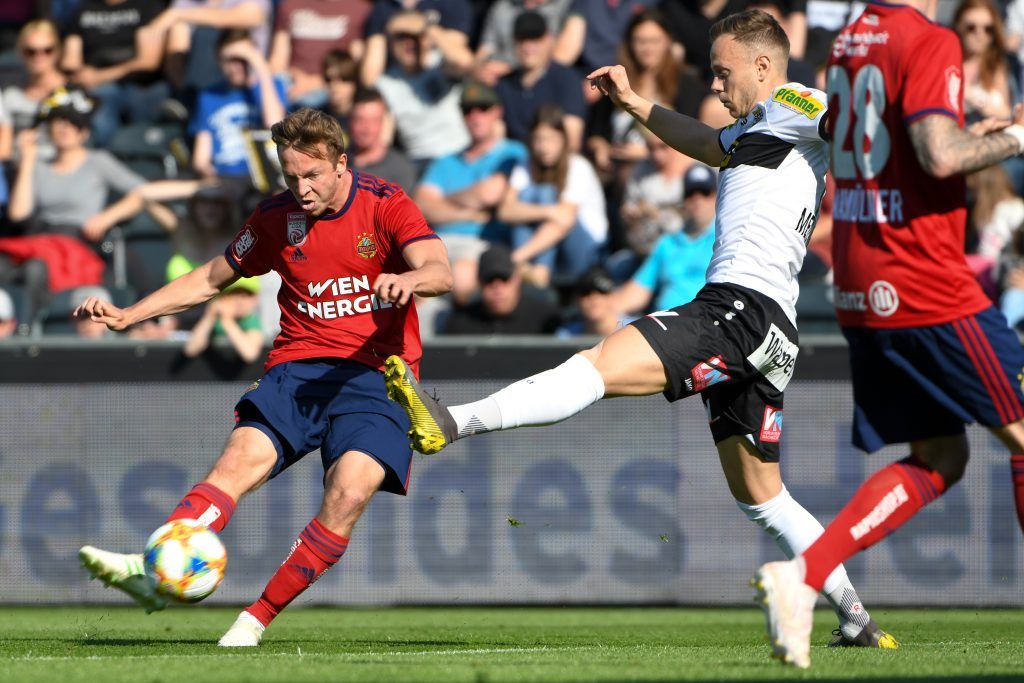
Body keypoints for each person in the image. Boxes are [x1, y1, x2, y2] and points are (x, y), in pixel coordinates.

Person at [387, 9, 893, 652]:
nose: (714, 85)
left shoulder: (792, 100)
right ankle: (856, 618)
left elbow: (844, 122)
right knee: (763, 496)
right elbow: (707, 143)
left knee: (598, 364)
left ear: (764, 66)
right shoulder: (753, 128)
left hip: (737, 309)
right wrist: (631, 101)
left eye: (722, 71)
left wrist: (894, 130)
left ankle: (456, 421)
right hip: (771, 331)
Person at [75, 107, 453, 647]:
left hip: (377, 377)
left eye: (312, 175)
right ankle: (155, 569)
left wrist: (410, 279)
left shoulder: (386, 204)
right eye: (290, 175)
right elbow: (211, 278)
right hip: (298, 370)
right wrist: (131, 315)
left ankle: (252, 621)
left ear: (341, 164)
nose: (300, 187)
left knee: (347, 494)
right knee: (238, 462)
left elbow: (442, 272)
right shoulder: (275, 218)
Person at [752, 0, 1024, 669]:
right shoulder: (928, 39)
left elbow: (896, 144)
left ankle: (805, 573)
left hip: (859, 277)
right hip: (925, 278)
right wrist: (1014, 137)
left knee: (940, 454)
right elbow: (938, 153)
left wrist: (967, 135)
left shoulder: (849, 40)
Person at [416, 79, 528, 302]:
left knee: (463, 276)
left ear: (497, 112)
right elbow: (421, 206)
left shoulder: (512, 153)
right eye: (468, 110)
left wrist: (444, 201)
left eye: (483, 109)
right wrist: (469, 212)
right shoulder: (445, 161)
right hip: (440, 242)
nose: (476, 116)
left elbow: (490, 193)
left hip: (484, 244)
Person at [499, 104, 607, 288]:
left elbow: (564, 220)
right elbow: (505, 211)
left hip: (586, 250)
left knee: (545, 192)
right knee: (530, 196)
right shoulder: (526, 165)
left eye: (551, 139)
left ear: (563, 139)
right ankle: (532, 271)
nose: (543, 147)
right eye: (538, 139)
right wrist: (548, 211)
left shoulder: (578, 166)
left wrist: (515, 258)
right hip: (546, 245)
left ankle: (537, 271)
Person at [612, 164, 717, 314]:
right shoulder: (668, 242)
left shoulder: (725, 238)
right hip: (665, 324)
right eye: (690, 193)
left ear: (717, 197)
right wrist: (605, 306)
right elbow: (639, 290)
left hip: (707, 321)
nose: (697, 199)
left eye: (705, 192)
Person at [61, 0, 169, 147]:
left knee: (145, 124)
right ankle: (99, 161)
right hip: (100, 88)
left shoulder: (146, 6)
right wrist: (79, 74)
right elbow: (71, 61)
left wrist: (99, 76)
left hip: (144, 85)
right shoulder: (83, 10)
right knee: (98, 113)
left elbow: (148, 62)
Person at [374, 10, 473, 166]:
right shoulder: (386, 83)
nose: (409, 44)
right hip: (418, 161)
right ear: (391, 44)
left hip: (459, 153)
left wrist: (428, 28)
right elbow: (383, 135)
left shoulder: (439, 64)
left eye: (415, 37)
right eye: (401, 38)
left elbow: (465, 63)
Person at [191, 29, 288, 182]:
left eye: (242, 60)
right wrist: (211, 176)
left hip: (261, 177)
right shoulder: (208, 96)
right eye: (230, 60)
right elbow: (200, 159)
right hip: (222, 177)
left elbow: (274, 124)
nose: (236, 66)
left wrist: (259, 65)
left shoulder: (272, 86)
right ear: (219, 60)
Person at [495, 10, 586, 151]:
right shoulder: (503, 84)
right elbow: (495, 138)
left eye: (535, 39)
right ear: (514, 42)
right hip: (514, 164)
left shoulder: (567, 79)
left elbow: (572, 140)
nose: (528, 46)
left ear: (549, 40)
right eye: (522, 40)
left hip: (556, 164)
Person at [268, 0, 372, 107]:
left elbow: (355, 64)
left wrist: (317, 82)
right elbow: (278, 59)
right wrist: (293, 77)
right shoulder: (288, 6)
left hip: (331, 82)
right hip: (294, 81)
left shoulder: (359, 8)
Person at [441, 244, 561, 334]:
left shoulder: (546, 319)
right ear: (479, 282)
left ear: (517, 279)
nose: (497, 288)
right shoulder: (461, 323)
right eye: (489, 280)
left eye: (504, 279)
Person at [0, 20, 66, 162]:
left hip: (55, 171)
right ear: (20, 53)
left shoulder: (71, 94)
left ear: (58, 51)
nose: (39, 56)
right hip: (13, 168)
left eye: (47, 50)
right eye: (31, 51)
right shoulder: (10, 95)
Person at [474, 0, 572, 85]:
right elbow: (485, 50)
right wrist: (481, 70)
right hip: (500, 79)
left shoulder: (564, 5)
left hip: (542, 76)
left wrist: (513, 68)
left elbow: (563, 55)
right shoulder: (503, 7)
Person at [348, 88, 418, 193]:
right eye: (360, 120)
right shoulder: (337, 163)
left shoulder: (400, 169)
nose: (366, 129)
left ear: (383, 122)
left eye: (373, 121)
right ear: (350, 120)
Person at [954, 0, 1013, 123]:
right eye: (971, 28)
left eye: (988, 29)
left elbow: (1005, 113)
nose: (979, 34)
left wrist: (975, 99)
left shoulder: (996, 66)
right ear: (958, 25)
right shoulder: (945, 62)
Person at [183, 284, 264, 363]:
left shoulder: (251, 321)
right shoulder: (214, 320)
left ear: (254, 299)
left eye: (246, 295)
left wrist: (227, 319)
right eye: (235, 294)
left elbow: (250, 355)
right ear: (224, 297)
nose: (240, 301)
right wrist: (210, 316)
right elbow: (190, 350)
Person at [319, 50, 360, 131]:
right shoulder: (316, 119)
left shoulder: (363, 117)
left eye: (343, 79)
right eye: (328, 79)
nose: (334, 86)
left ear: (354, 82)